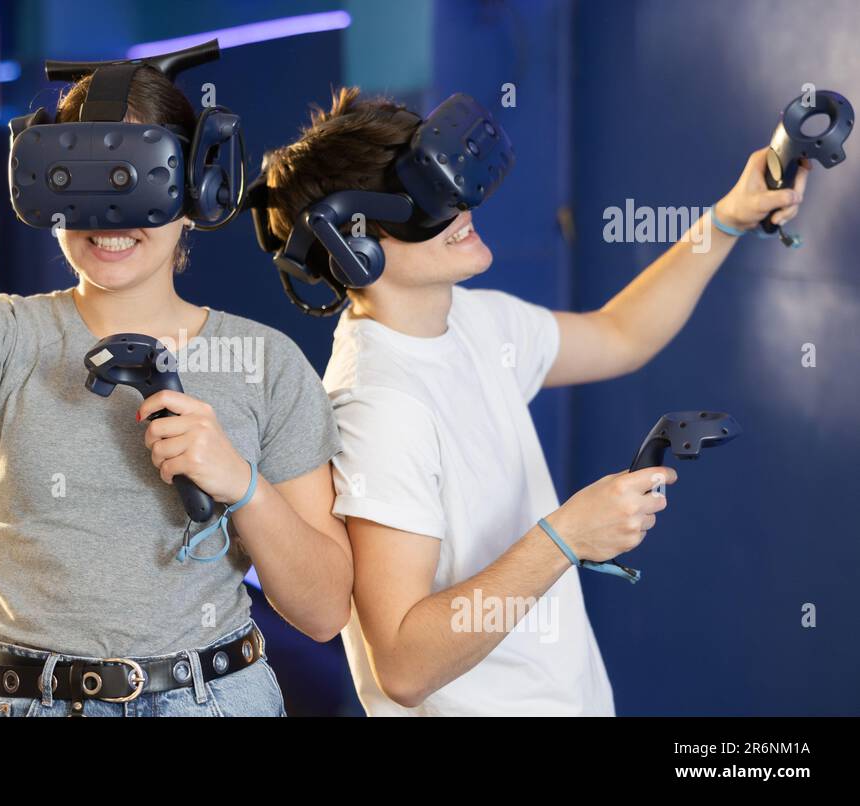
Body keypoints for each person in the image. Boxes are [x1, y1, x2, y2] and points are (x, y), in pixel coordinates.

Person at [256, 88, 809, 716]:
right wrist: (565, 537)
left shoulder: (470, 321)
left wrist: (730, 217)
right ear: (354, 243)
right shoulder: (381, 408)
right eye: (424, 197)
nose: (460, 203)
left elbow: (619, 334)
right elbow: (403, 665)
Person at [0, 66, 352, 717]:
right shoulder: (5, 333)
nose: (108, 214)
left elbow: (323, 608)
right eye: (78, 177)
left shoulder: (267, 363)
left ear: (197, 185)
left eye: (134, 178)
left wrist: (242, 483)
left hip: (213, 699)